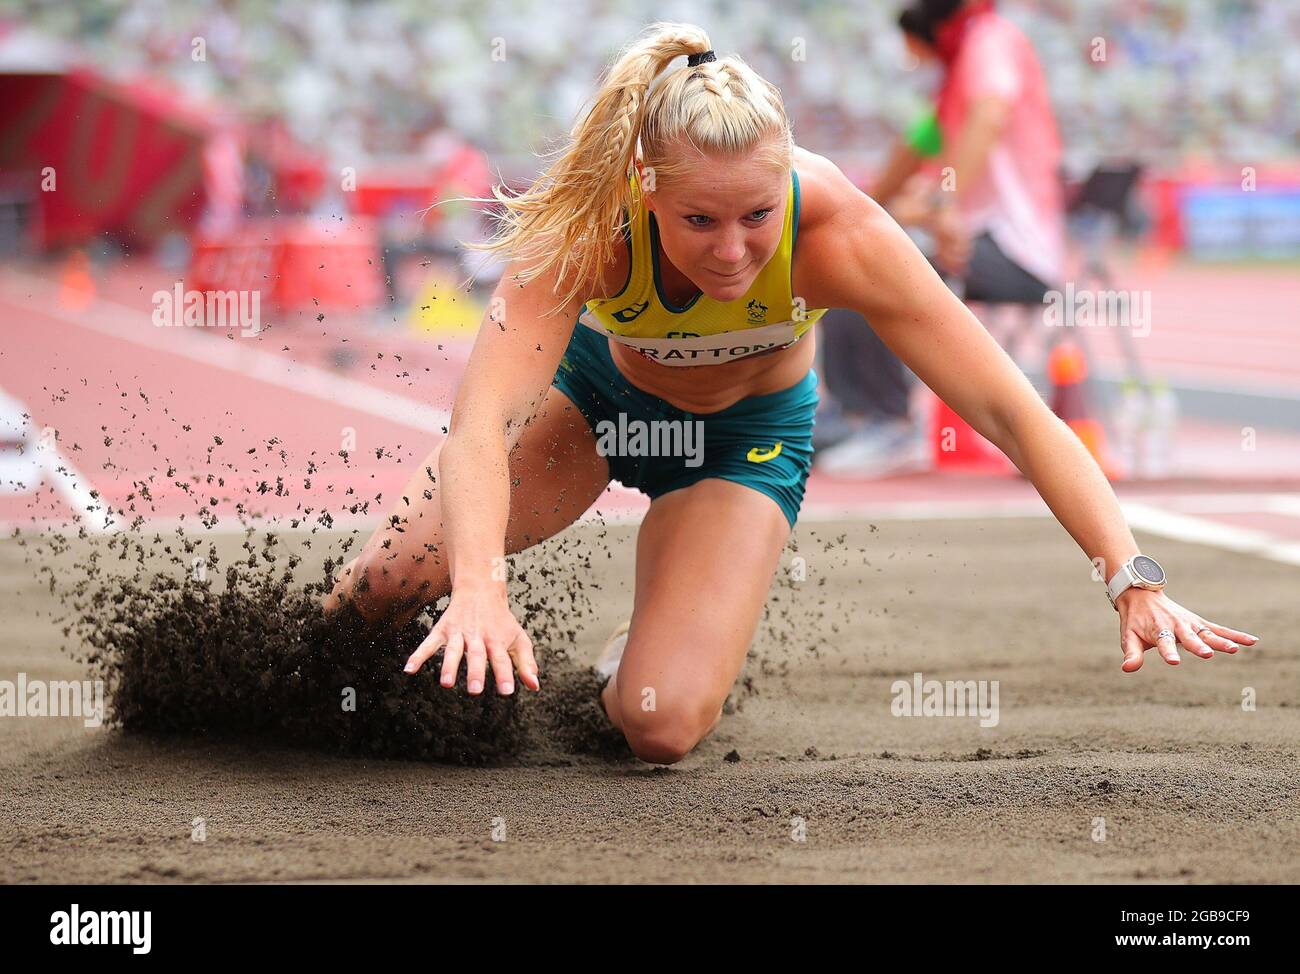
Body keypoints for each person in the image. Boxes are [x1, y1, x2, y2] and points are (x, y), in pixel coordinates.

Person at [322, 22, 1257, 766]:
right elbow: (481, 419)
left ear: (787, 183)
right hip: (601, 407)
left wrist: (1127, 571)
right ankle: (297, 681)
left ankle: (624, 657)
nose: (733, 251)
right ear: (646, 193)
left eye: (756, 216)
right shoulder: (592, 224)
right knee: (386, 584)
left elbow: (1012, 410)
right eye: (699, 220)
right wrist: (482, 588)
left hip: (743, 440)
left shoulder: (841, 231)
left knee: (660, 722)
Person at [817, 0, 1067, 476]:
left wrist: (941, 205)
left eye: (918, 50)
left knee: (870, 268)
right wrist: (861, 208)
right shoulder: (954, 80)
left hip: (1016, 251)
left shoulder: (990, 39)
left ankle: (888, 422)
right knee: (843, 254)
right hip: (974, 239)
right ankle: (855, 413)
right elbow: (914, 148)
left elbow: (990, 115)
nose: (919, 62)